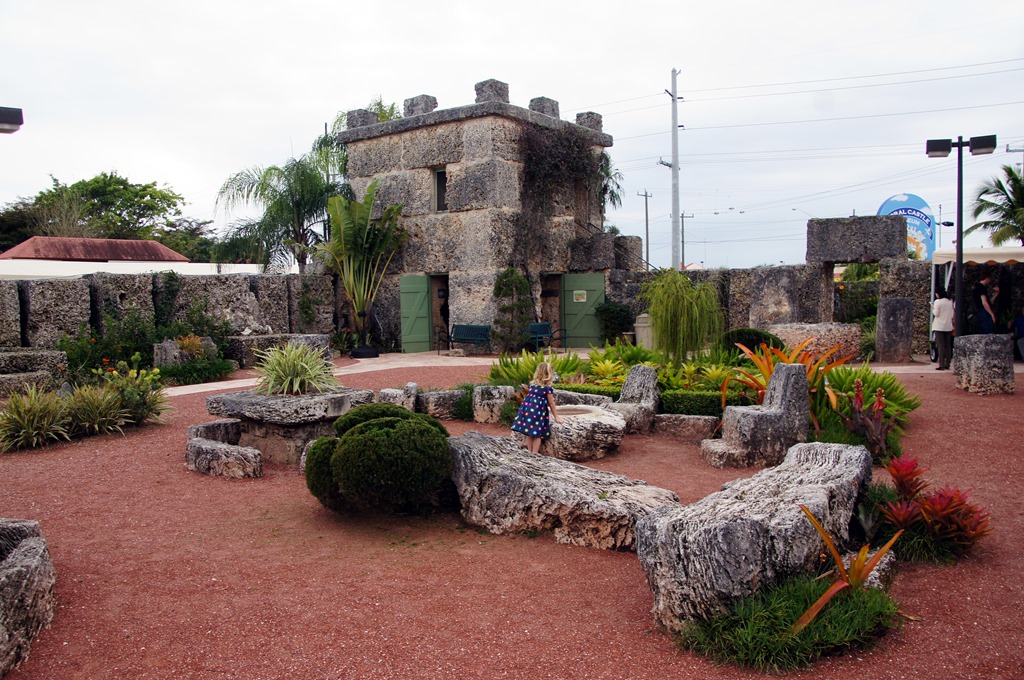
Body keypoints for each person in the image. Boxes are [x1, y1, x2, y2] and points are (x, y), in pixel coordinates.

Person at [510, 361, 562, 453]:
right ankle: (535, 455)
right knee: (538, 435)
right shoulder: (547, 388)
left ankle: (530, 453)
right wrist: (556, 416)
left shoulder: (533, 386)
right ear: (549, 374)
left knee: (531, 433)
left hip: (528, 410)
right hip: (537, 412)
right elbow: (551, 403)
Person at [931, 287, 954, 370]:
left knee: (941, 345)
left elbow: (936, 314)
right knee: (948, 345)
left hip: (939, 326)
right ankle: (948, 363)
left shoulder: (938, 302)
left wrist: (933, 307)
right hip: (948, 325)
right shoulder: (950, 301)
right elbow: (952, 314)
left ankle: (941, 364)